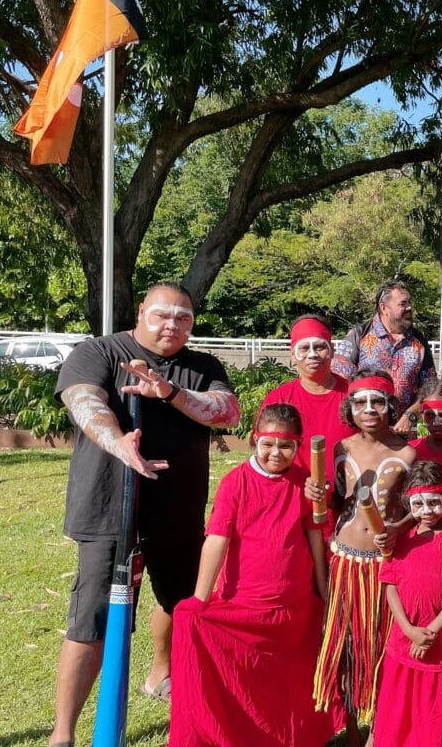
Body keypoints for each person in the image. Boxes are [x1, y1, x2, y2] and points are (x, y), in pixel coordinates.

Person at [48, 281, 240, 747]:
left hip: (178, 509)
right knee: (92, 620)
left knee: (181, 603)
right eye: (162, 314)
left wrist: (170, 392)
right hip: (108, 510)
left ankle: (160, 675)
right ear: (141, 312)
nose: (172, 324)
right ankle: (63, 732)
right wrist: (119, 444)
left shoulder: (202, 366)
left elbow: (227, 412)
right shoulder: (100, 352)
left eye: (183, 318)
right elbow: (82, 400)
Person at [169, 404, 338, 747]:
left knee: (289, 682)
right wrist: (200, 600)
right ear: (254, 440)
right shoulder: (236, 483)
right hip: (245, 606)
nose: (276, 453)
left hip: (294, 608)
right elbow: (217, 540)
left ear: (298, 445)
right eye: (268, 444)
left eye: (286, 445)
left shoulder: (304, 483)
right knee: (245, 678)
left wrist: (324, 593)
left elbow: (315, 540)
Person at [307, 369, 415, 747]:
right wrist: (318, 494)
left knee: (382, 647)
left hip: (384, 564)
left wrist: (398, 527)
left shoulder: (408, 452)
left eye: (377, 402)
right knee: (348, 647)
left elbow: (417, 508)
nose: (369, 409)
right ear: (349, 409)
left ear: (391, 407)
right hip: (345, 564)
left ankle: (380, 729)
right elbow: (338, 502)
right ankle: (354, 731)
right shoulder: (341, 448)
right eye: (360, 402)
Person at [370, 461, 442, 747]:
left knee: (436, 710)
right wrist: (409, 631)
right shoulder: (402, 539)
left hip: (439, 643)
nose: (426, 511)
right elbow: (390, 586)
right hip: (403, 640)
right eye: (418, 504)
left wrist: (429, 633)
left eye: (433, 503)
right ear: (408, 504)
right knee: (401, 705)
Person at [259, 314, 355, 541]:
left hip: (345, 509)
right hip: (292, 505)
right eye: (304, 348)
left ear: (331, 350)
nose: (312, 354)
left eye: (319, 347)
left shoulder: (354, 396)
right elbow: (264, 455)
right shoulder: (280, 398)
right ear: (292, 354)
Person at [333, 280, 436, 434]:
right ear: (384, 308)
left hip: (402, 433)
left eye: (409, 302)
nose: (409, 307)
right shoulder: (359, 335)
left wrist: (410, 415)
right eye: (403, 304)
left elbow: (430, 387)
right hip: (363, 431)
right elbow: (338, 382)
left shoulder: (418, 341)